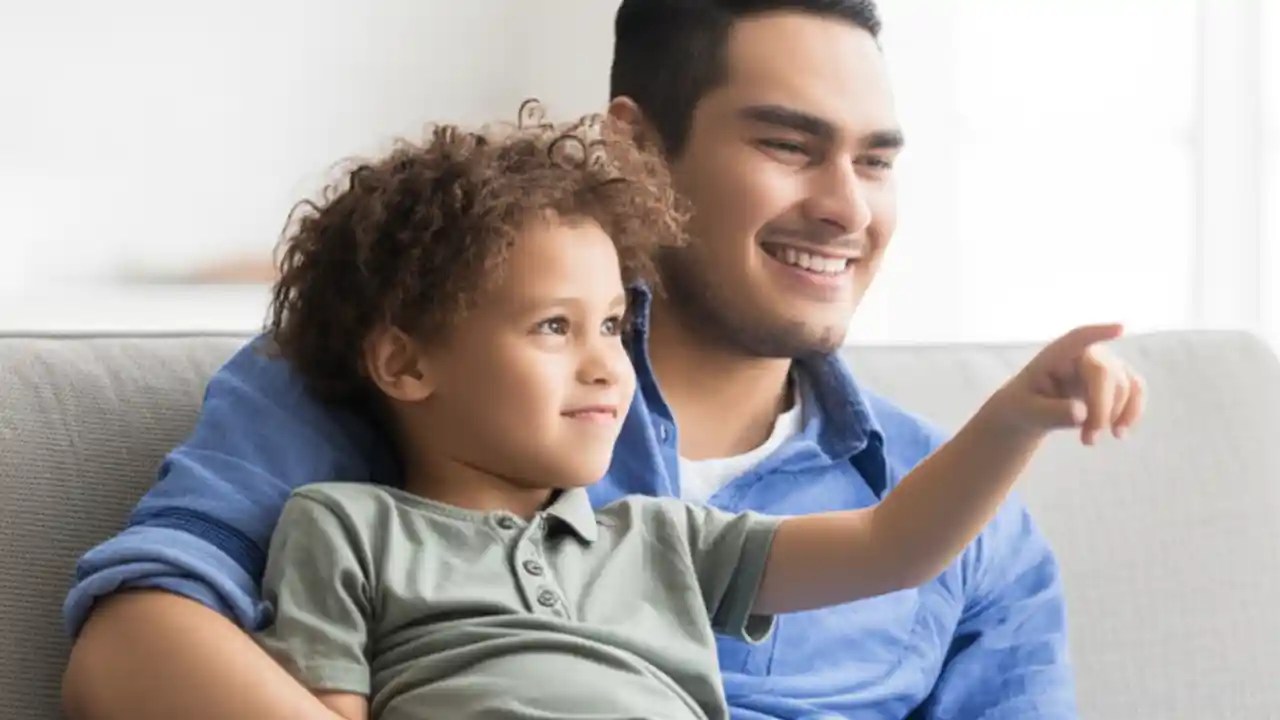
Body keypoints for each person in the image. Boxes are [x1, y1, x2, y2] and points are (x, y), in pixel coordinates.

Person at [61, 2, 1147, 718]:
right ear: (633, 144)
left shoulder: (962, 522)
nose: (844, 206)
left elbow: (894, 545)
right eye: (786, 144)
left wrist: (1014, 415)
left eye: (873, 160)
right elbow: (135, 641)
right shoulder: (378, 375)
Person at [248, 112, 1138, 720]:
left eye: (609, 324)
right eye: (554, 327)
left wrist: (1018, 415)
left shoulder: (663, 541)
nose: (606, 362)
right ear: (405, 363)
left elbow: (892, 546)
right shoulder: (344, 528)